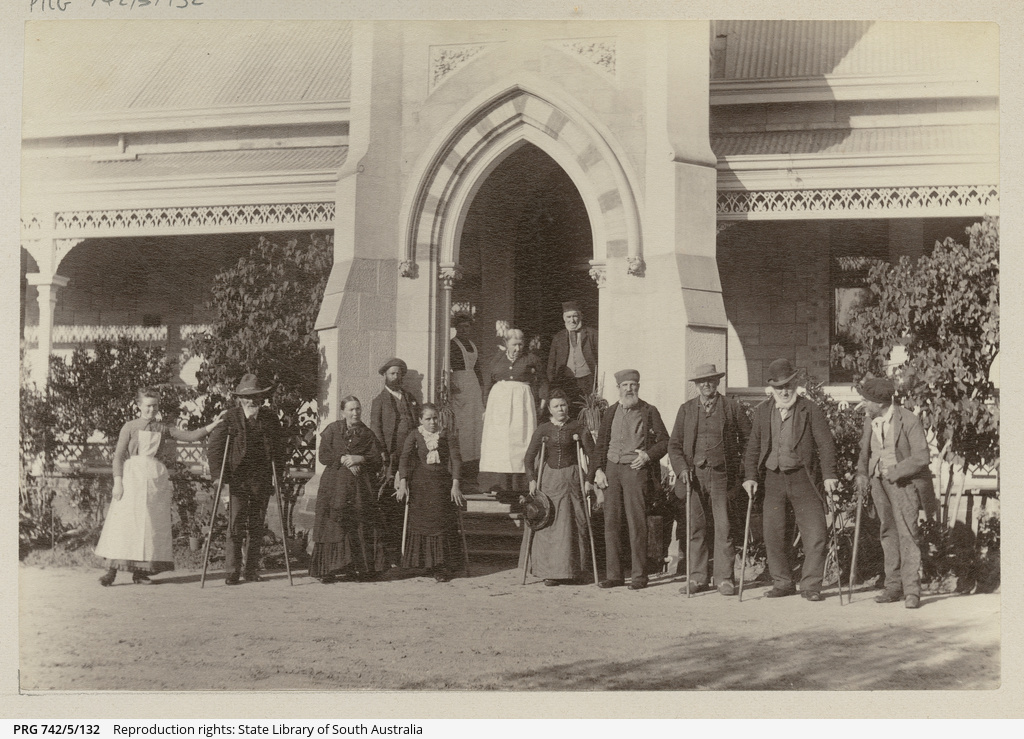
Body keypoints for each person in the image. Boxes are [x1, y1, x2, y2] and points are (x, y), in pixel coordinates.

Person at [96, 387, 225, 586]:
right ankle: (111, 571)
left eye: (155, 405)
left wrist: (212, 425)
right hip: (132, 477)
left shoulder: (163, 427)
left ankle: (140, 573)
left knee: (149, 526)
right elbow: (118, 457)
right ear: (139, 405)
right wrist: (118, 482)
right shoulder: (129, 427)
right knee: (124, 524)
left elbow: (189, 436)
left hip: (154, 479)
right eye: (148, 406)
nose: (151, 410)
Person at [742, 358, 839, 602]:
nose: (784, 391)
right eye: (779, 387)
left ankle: (811, 586)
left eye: (788, 385)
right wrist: (750, 476)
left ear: (796, 384)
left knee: (815, 533)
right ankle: (782, 582)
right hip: (773, 479)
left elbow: (825, 444)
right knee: (773, 534)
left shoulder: (810, 409)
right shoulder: (763, 411)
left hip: (803, 479)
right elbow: (753, 447)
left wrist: (829, 475)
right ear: (771, 388)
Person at [667, 363, 751, 596]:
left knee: (724, 527)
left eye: (711, 380)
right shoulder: (686, 409)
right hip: (693, 477)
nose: (706, 384)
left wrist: (740, 471)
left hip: (722, 477)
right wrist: (682, 468)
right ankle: (697, 578)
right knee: (696, 527)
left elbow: (749, 442)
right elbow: (673, 445)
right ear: (696, 385)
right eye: (702, 381)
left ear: (717, 382)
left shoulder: (731, 407)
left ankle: (724, 579)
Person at [854, 377, 934, 609]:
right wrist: (861, 473)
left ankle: (912, 591)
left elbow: (921, 457)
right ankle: (893, 587)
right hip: (878, 483)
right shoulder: (870, 420)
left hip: (903, 485)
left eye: (866, 399)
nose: (863, 403)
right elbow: (864, 450)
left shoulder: (908, 420)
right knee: (887, 531)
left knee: (908, 534)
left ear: (879, 402)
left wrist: (896, 470)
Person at [207, 373, 288, 586]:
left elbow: (280, 449)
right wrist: (218, 476)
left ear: (262, 398)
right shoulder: (230, 417)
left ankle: (251, 570)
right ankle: (232, 571)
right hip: (237, 479)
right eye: (248, 397)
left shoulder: (270, 418)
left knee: (256, 526)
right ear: (240, 399)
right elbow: (215, 448)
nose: (252, 401)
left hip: (261, 479)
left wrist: (278, 474)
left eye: (257, 396)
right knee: (235, 524)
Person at [592, 369, 669, 591]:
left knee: (637, 523)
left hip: (635, 471)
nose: (629, 388)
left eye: (633, 384)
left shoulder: (649, 411)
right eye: (625, 385)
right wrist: (597, 470)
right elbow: (601, 444)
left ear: (638, 387)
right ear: (618, 388)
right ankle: (614, 575)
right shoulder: (611, 412)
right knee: (611, 523)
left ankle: (639, 576)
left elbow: (665, 442)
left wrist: (647, 455)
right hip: (611, 470)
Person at [309, 396, 387, 583]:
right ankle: (328, 569)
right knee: (333, 525)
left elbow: (377, 459)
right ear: (343, 411)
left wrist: (361, 459)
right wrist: (344, 458)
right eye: (351, 409)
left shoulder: (367, 434)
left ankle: (359, 568)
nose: (355, 413)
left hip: (359, 489)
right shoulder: (333, 430)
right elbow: (323, 455)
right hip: (334, 487)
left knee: (359, 525)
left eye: (358, 409)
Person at [522, 390, 596, 586]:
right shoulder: (543, 429)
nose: (560, 409)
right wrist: (531, 479)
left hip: (572, 479)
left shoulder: (578, 427)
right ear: (549, 409)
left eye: (563, 405)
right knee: (549, 524)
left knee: (574, 523)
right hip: (549, 481)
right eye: (556, 406)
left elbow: (594, 455)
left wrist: (589, 479)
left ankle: (574, 570)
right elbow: (529, 458)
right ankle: (550, 571)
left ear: (567, 406)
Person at [396, 403, 465, 582]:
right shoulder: (415, 435)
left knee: (441, 522)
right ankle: (423, 564)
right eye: (428, 419)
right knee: (422, 522)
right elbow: (404, 459)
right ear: (420, 420)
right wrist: (403, 482)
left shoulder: (447, 435)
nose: (432, 422)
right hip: (420, 486)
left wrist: (455, 485)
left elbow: (456, 460)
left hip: (442, 485)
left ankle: (441, 566)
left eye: (435, 418)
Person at [478, 326, 548, 500]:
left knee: (520, 440)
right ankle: (496, 483)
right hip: (498, 407)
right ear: (506, 344)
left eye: (520, 344)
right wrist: (486, 407)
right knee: (499, 443)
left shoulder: (531, 359)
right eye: (514, 345)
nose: (518, 348)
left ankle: (520, 484)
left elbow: (543, 381)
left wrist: (543, 402)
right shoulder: (496, 360)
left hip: (521, 405)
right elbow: (488, 383)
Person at [370, 357, 421, 566]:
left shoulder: (409, 398)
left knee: (411, 496)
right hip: (390, 458)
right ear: (385, 376)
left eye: (399, 373)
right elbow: (376, 429)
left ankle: (409, 549)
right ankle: (391, 551)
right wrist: (382, 453)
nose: (396, 376)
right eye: (392, 373)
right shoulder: (379, 401)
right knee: (391, 501)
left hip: (410, 456)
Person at [546, 301, 598, 413]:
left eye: (575, 316)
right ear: (564, 318)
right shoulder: (558, 338)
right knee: (568, 411)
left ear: (581, 316)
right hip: (566, 381)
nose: (572, 320)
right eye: (569, 317)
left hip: (587, 380)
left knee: (588, 411)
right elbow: (551, 364)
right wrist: (553, 385)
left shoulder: (592, 334)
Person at [449, 313, 484, 465]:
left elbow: (477, 368)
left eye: (467, 327)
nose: (464, 330)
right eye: (461, 327)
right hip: (459, 384)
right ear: (456, 327)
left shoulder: (472, 345)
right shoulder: (451, 344)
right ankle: (461, 459)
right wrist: (450, 384)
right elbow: (445, 366)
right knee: (462, 423)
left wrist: (483, 389)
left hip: (473, 386)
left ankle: (474, 458)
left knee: (475, 422)